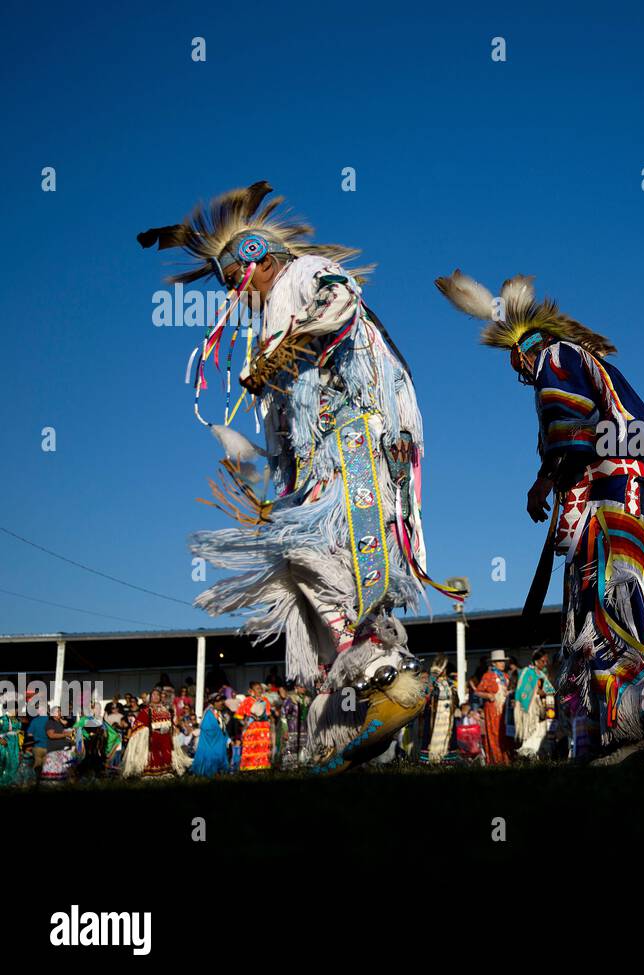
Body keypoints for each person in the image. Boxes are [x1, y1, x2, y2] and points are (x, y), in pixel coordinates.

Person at [138, 181, 443, 771]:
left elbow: (342, 296)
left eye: (233, 280)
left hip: (353, 439)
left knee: (324, 553)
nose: (233, 294)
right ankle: (355, 716)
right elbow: (285, 420)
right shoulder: (271, 314)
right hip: (319, 463)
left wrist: (286, 350)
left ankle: (381, 667)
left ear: (256, 259)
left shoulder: (301, 275)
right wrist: (263, 456)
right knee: (305, 569)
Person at [437, 271, 644, 765]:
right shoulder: (572, 360)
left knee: (617, 596)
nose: (519, 375)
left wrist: (544, 483)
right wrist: (554, 475)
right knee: (603, 601)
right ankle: (612, 729)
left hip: (616, 481)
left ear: (523, 350)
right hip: (620, 482)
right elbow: (577, 436)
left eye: (516, 365)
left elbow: (574, 433)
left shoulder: (554, 357)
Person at [123, 689, 190, 778]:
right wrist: (145, 733)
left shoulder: (166, 711)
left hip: (165, 738)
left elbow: (171, 724)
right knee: (153, 757)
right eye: (154, 695)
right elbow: (137, 725)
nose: (156, 696)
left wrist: (174, 729)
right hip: (153, 738)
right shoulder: (146, 711)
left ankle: (166, 772)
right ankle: (151, 773)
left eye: (158, 695)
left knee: (166, 757)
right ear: (150, 698)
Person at [513, 650, 556, 759]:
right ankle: (527, 755)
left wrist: (544, 693)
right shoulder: (527, 672)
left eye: (546, 661)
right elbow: (522, 689)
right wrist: (537, 693)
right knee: (530, 731)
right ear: (536, 662)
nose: (545, 664)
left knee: (540, 731)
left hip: (540, 710)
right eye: (543, 661)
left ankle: (537, 754)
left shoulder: (542, 674)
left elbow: (550, 690)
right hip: (529, 710)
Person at [474, 651, 512, 766]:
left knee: (505, 734)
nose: (503, 664)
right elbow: (477, 692)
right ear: (494, 663)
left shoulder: (505, 676)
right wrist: (488, 696)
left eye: (503, 661)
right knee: (495, 734)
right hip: (492, 710)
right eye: (500, 661)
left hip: (504, 709)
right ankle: (496, 761)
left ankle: (506, 759)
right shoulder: (488, 676)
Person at [235, 683, 274, 771]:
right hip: (251, 730)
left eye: (260, 688)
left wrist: (270, 730)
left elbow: (268, 716)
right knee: (251, 749)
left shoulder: (265, 700)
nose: (259, 690)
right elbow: (238, 716)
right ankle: (248, 769)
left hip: (263, 730)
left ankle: (262, 768)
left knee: (263, 749)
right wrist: (245, 724)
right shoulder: (247, 701)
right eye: (257, 688)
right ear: (251, 691)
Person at [191, 695, 231, 778]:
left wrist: (226, 737)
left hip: (218, 741)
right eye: (219, 701)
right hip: (211, 742)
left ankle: (217, 772)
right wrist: (218, 732)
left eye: (222, 701)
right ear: (213, 702)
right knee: (212, 756)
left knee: (218, 755)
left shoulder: (218, 713)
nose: (222, 703)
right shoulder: (209, 713)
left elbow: (222, 727)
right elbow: (205, 727)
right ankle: (210, 773)